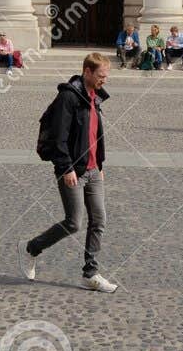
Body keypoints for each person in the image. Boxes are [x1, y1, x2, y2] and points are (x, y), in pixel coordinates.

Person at [22, 52, 118, 293]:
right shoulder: (68, 97)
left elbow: (96, 134)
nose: (104, 80)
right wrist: (65, 167)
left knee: (99, 220)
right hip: (72, 169)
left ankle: (90, 273)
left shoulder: (95, 97)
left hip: (93, 169)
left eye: (106, 76)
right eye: (100, 75)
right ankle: (32, 247)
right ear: (87, 72)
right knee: (73, 223)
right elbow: (59, 136)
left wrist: (101, 165)